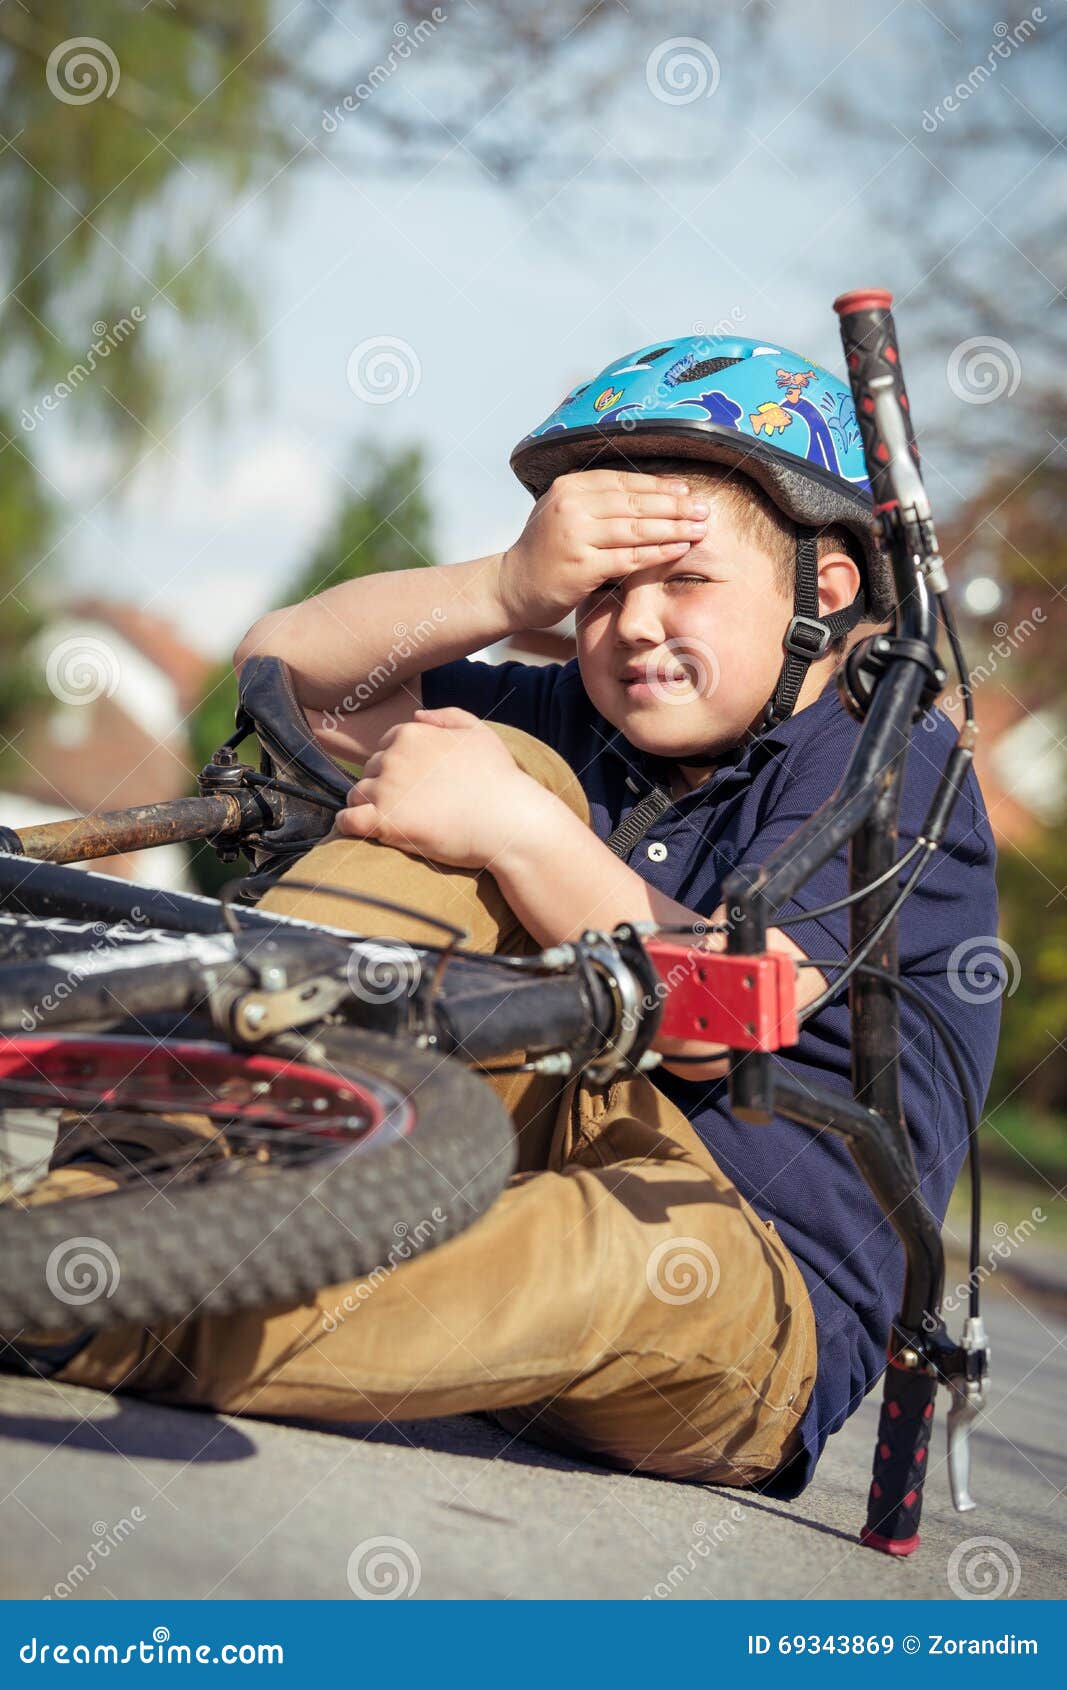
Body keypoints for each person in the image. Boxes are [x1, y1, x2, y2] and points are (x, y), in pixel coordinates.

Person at [7, 336, 999, 1499]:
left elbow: (721, 1019)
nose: (631, 625)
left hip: (735, 1270)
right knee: (479, 758)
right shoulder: (574, 714)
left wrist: (514, 831)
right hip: (520, 1137)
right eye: (600, 589)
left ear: (821, 596)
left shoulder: (892, 767)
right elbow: (291, 675)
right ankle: (116, 1192)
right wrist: (503, 587)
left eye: (682, 578)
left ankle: (89, 1303)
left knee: (504, 818)